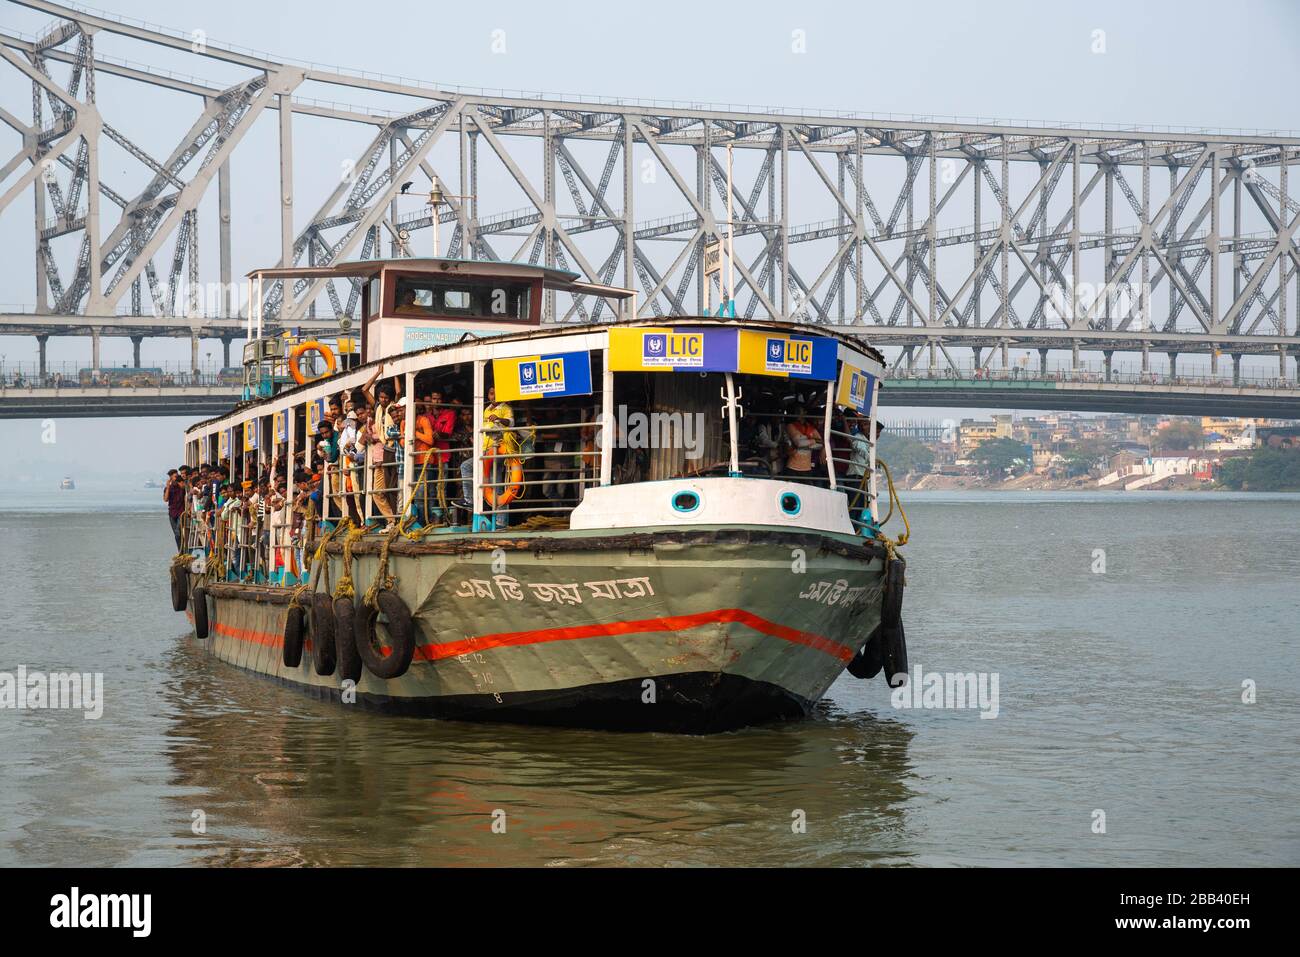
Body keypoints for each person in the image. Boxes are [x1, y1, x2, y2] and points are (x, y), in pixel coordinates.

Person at [785, 407, 823, 478]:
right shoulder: (790, 426)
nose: (796, 414)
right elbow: (799, 443)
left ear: (805, 413)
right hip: (793, 467)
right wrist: (814, 441)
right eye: (795, 412)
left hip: (807, 468)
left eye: (799, 411)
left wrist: (806, 444)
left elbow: (821, 444)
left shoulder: (810, 427)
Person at [164, 468, 186, 549]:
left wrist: (181, 483)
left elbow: (185, 488)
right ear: (171, 478)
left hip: (181, 512)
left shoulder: (181, 485)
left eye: (177, 476)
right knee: (177, 534)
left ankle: (182, 550)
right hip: (172, 513)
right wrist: (168, 487)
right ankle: (181, 551)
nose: (176, 478)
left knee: (178, 532)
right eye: (174, 477)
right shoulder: (169, 488)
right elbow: (166, 499)